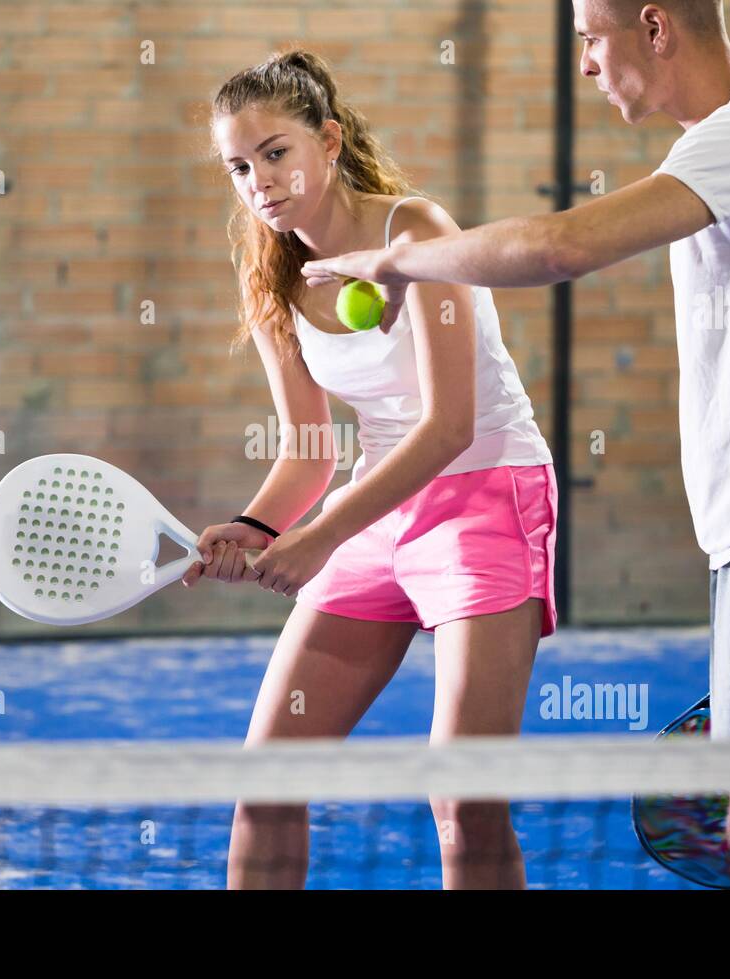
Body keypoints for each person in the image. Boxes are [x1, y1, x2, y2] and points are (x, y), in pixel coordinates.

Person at [301, 0, 730, 889]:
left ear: (654, 27)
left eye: (591, 35)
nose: (584, 60)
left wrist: (398, 260)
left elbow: (558, 245)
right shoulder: (725, 142)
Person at [183, 48, 558, 889]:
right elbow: (308, 449)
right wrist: (253, 526)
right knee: (265, 784)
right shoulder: (270, 277)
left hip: (487, 496)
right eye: (239, 166)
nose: (259, 182)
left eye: (275, 153)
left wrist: (316, 539)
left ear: (329, 138)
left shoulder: (415, 231)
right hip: (374, 514)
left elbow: (451, 426)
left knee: (464, 798)